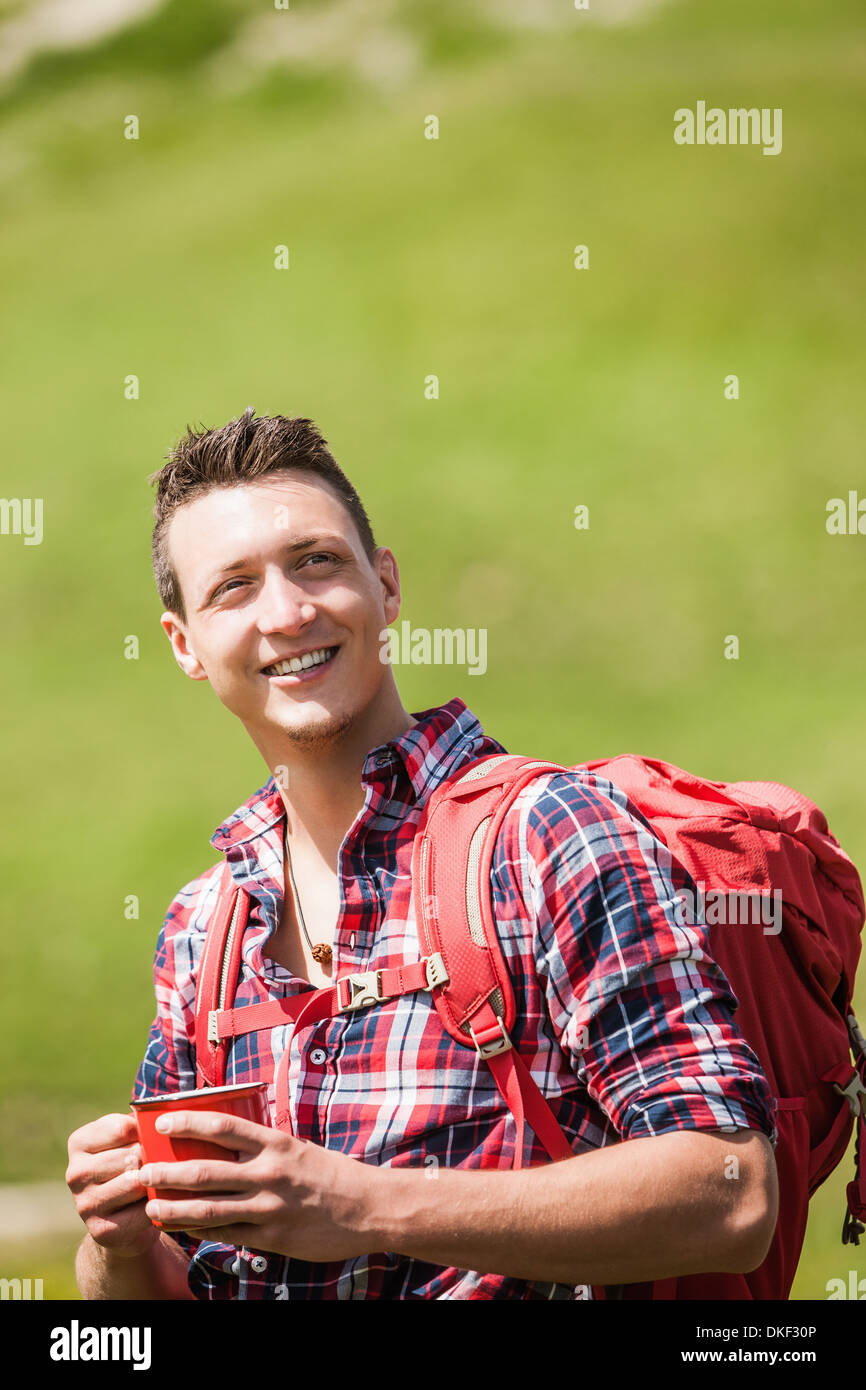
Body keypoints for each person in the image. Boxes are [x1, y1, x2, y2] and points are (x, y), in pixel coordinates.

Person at [66, 408, 779, 1300]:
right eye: (233, 588)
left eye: (317, 562)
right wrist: (121, 1247)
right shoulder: (203, 927)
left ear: (386, 586)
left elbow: (734, 1193)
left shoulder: (548, 835)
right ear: (185, 645)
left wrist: (361, 1206)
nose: (287, 613)